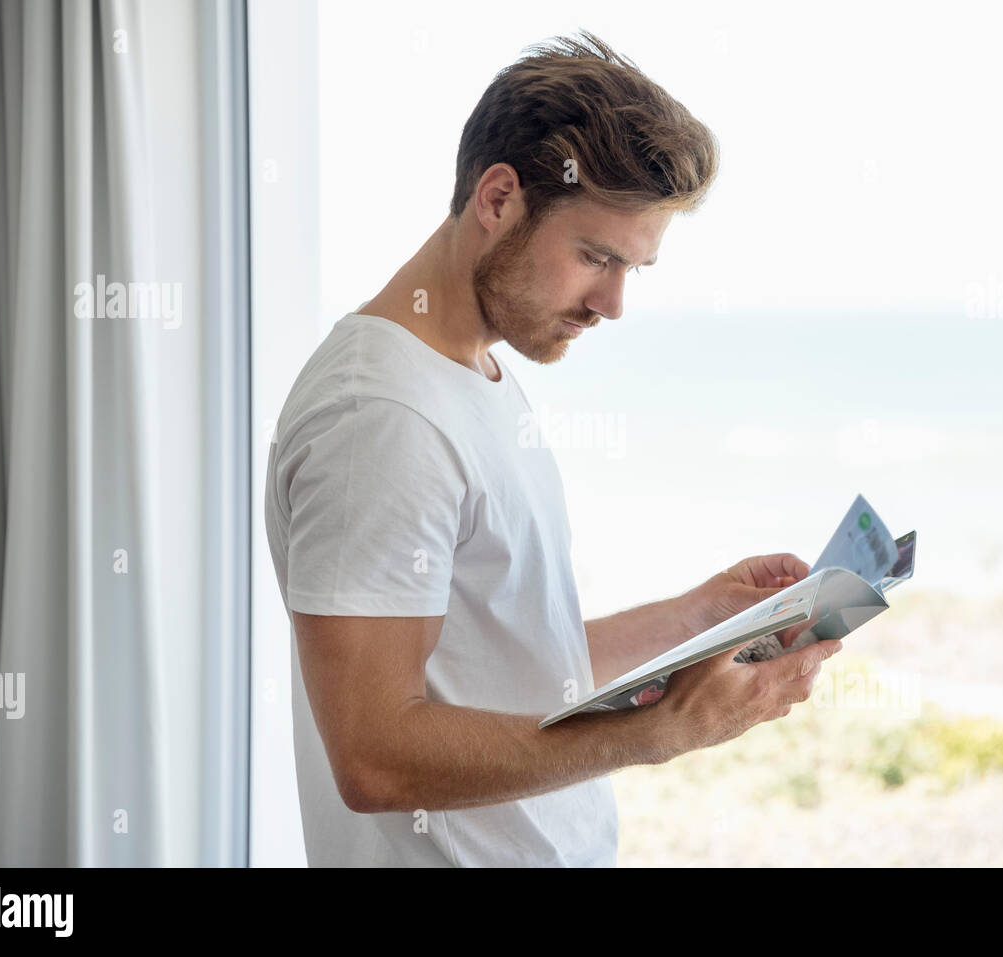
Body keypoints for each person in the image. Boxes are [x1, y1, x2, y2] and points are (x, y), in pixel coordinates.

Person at [264, 30, 842, 867]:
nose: (611, 304)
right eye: (595, 257)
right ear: (497, 198)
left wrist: (697, 613)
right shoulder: (382, 417)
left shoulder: (472, 370)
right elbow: (375, 756)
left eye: (632, 270)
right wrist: (656, 733)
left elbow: (501, 656)